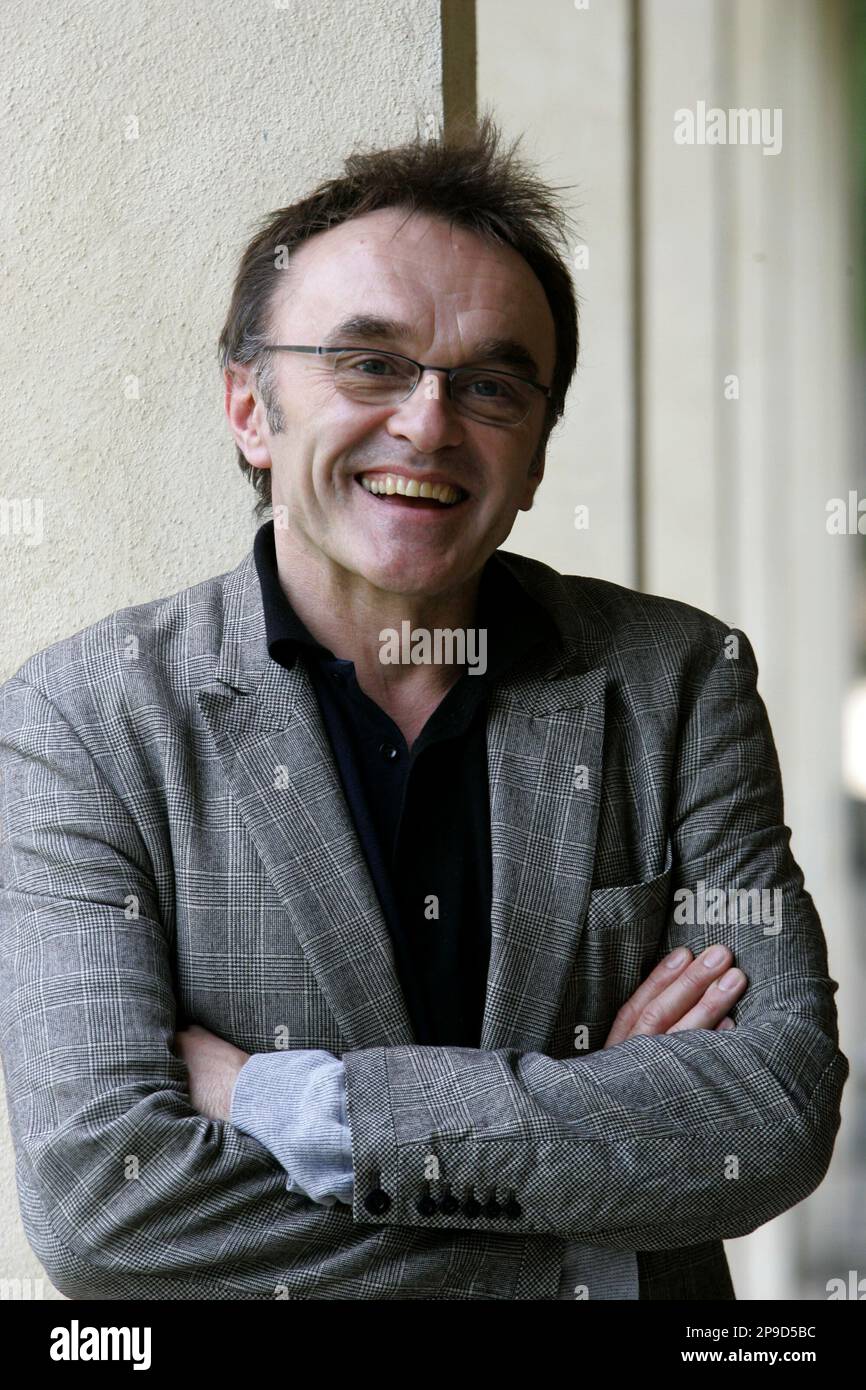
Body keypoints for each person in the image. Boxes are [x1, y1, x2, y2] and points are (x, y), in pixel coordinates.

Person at [0, 115, 848, 1301]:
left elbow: (771, 1110)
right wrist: (587, 1216)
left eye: (491, 384)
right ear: (250, 407)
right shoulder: (84, 719)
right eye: (369, 363)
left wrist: (281, 1103)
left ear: (539, 450)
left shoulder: (675, 678)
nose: (428, 424)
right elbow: (109, 1205)